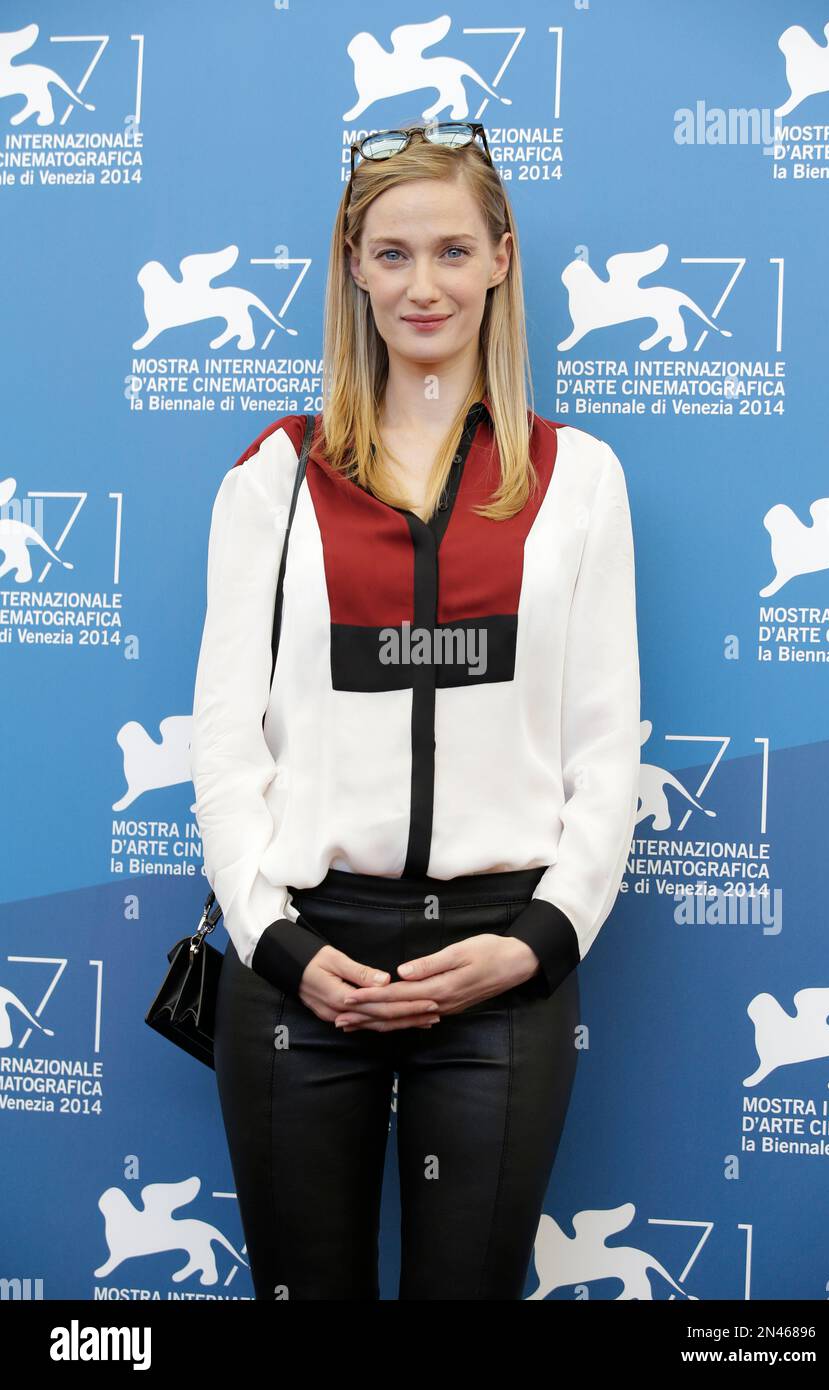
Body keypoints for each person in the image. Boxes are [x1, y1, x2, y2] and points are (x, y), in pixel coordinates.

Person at [189, 119, 641, 1300]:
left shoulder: (576, 479)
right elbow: (227, 746)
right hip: (307, 959)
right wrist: (279, 944)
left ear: (501, 258)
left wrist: (536, 941)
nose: (422, 284)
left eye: (451, 250)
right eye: (390, 254)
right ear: (350, 266)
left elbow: (604, 749)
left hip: (498, 958)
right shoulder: (273, 478)